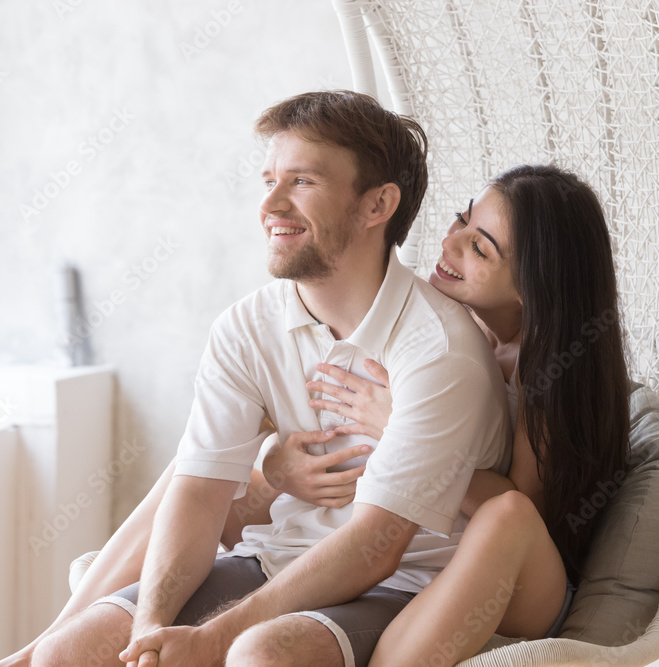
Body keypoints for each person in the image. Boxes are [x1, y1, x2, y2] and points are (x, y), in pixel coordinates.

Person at [0, 89, 512, 667]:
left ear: (376, 205)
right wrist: (149, 632)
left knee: (261, 657)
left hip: (401, 586)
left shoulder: (438, 350)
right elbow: (196, 493)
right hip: (272, 560)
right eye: (269, 180)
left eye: (302, 182)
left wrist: (212, 640)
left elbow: (376, 547)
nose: (272, 204)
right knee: (66, 654)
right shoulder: (245, 327)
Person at [254, 164, 631, 665]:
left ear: (532, 288)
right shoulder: (430, 330)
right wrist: (268, 465)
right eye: (462, 221)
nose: (450, 244)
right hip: (418, 560)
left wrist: (401, 432)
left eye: (480, 248)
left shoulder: (545, 372)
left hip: (518, 577)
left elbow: (523, 506)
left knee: (509, 516)